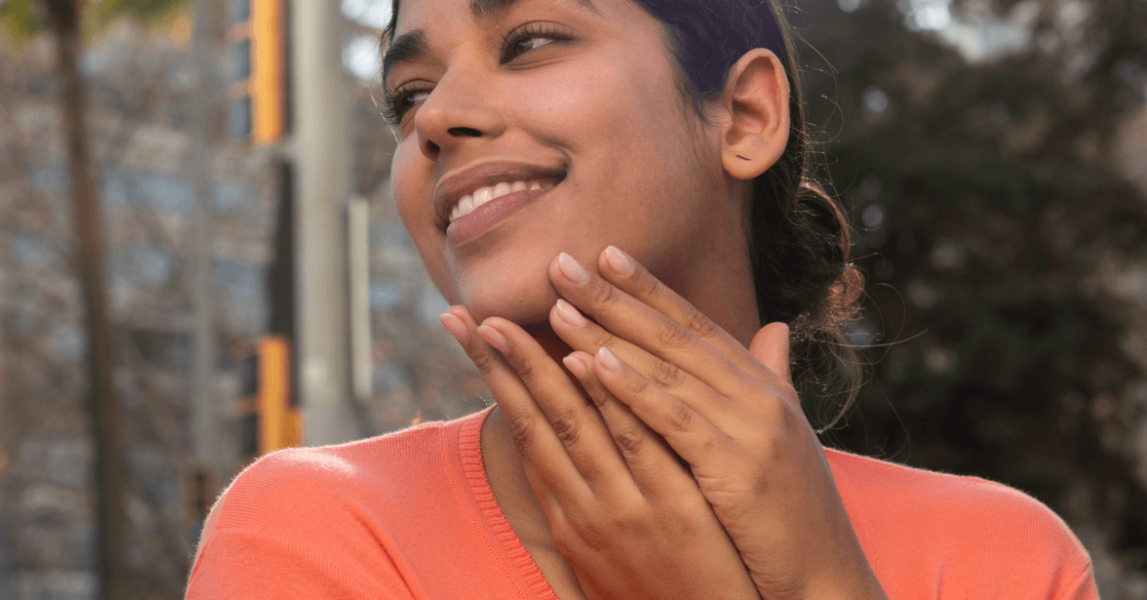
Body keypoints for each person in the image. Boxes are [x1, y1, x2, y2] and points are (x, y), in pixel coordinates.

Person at [186, 0, 1100, 597]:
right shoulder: (313, 533)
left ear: (744, 117)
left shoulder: (1007, 562)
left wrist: (825, 583)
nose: (434, 117)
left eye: (530, 42)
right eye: (408, 93)